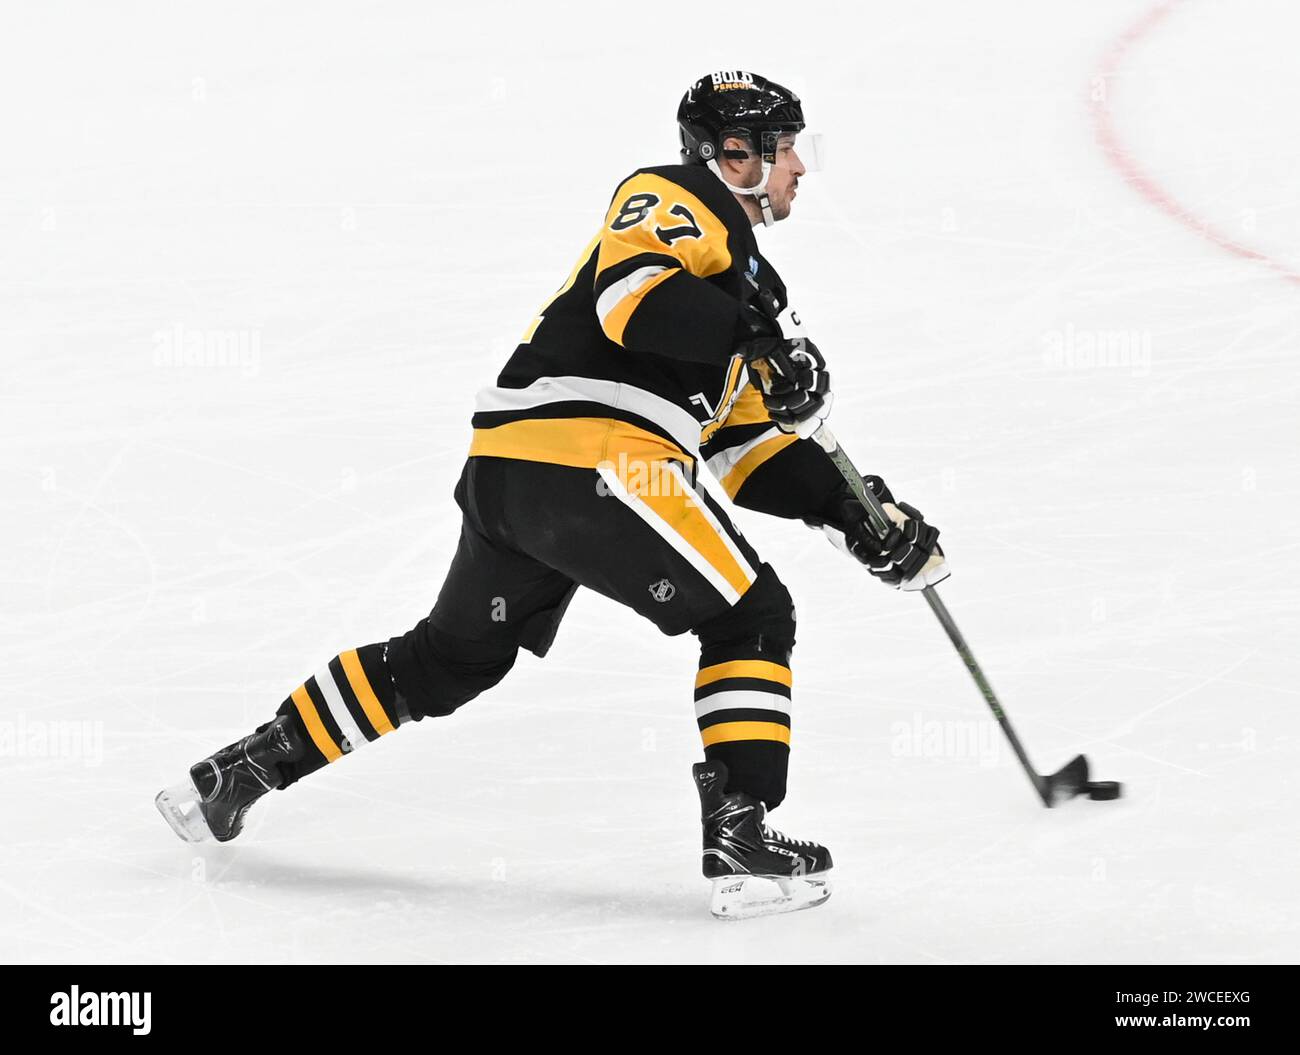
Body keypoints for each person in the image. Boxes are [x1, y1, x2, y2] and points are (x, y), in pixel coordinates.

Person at [156, 69, 946, 920]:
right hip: (600, 458)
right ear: (732, 156)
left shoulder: (747, 290)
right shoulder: (675, 195)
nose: (796, 167)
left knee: (450, 659)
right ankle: (741, 833)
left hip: (514, 471)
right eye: (782, 147)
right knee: (749, 616)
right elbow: (631, 301)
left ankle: (240, 770)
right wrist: (754, 339)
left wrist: (857, 511)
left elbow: (749, 448)